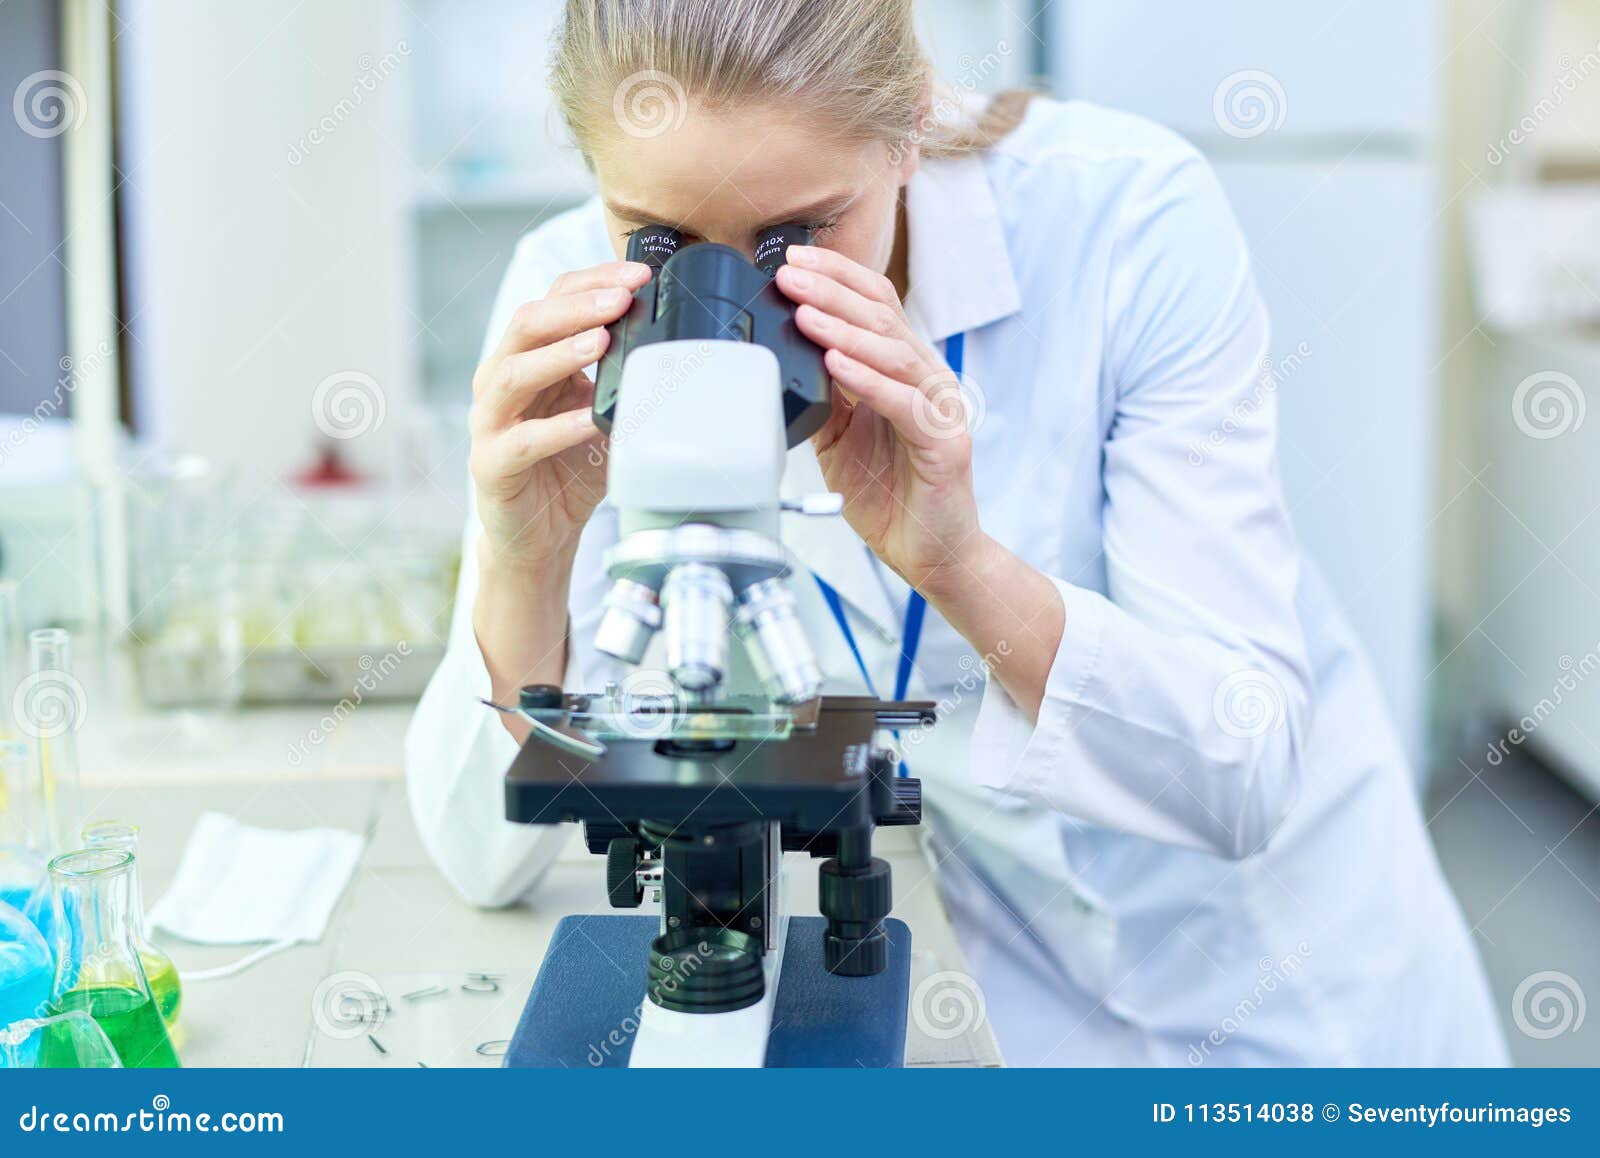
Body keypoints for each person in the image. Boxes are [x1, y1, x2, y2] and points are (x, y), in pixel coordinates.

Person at [406, 0, 1507, 1066]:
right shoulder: (568, 295)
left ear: (910, 129)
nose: (734, 306)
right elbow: (482, 856)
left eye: (797, 235)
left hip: (1290, 983)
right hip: (1005, 978)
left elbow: (1241, 768)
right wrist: (524, 558)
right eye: (662, 239)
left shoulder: (1123, 219)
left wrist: (960, 567)